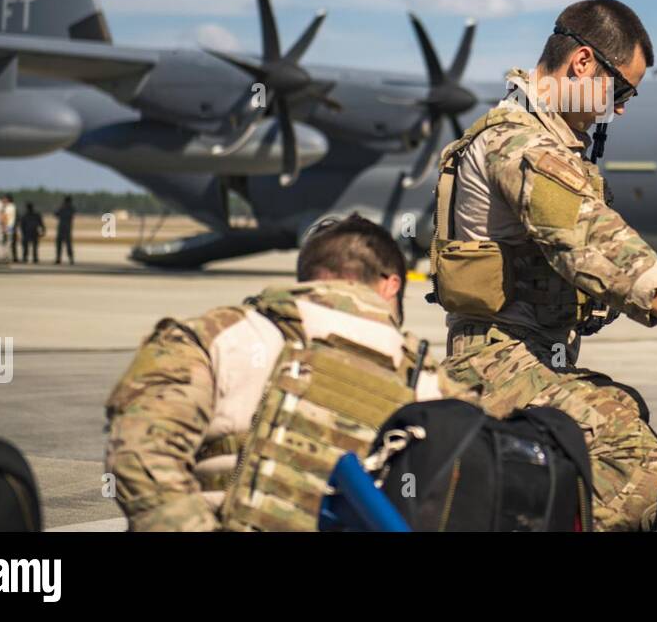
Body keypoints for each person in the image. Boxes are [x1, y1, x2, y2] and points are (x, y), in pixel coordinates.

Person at [432, 0, 657, 532]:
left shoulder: (549, 141)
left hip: (533, 358)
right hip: (493, 365)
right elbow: (592, 241)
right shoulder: (517, 142)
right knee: (643, 481)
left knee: (622, 409)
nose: (619, 109)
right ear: (584, 63)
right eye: (621, 91)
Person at [105, 213, 449, 532]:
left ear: (308, 276)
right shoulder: (432, 385)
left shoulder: (217, 336)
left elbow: (140, 455)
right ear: (391, 286)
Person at [54, 196, 75, 264]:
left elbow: (56, 214)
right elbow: (56, 214)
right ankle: (61, 258)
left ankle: (67, 259)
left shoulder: (68, 208)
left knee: (64, 245)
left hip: (64, 229)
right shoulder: (69, 208)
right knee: (62, 245)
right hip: (65, 229)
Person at [3, 194, 18, 263]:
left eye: (4, 198)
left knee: (7, 242)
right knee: (9, 242)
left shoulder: (8, 207)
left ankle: (6, 256)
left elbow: (5, 217)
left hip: (8, 226)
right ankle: (8, 256)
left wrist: (4, 226)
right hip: (11, 226)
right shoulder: (13, 206)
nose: (3, 200)